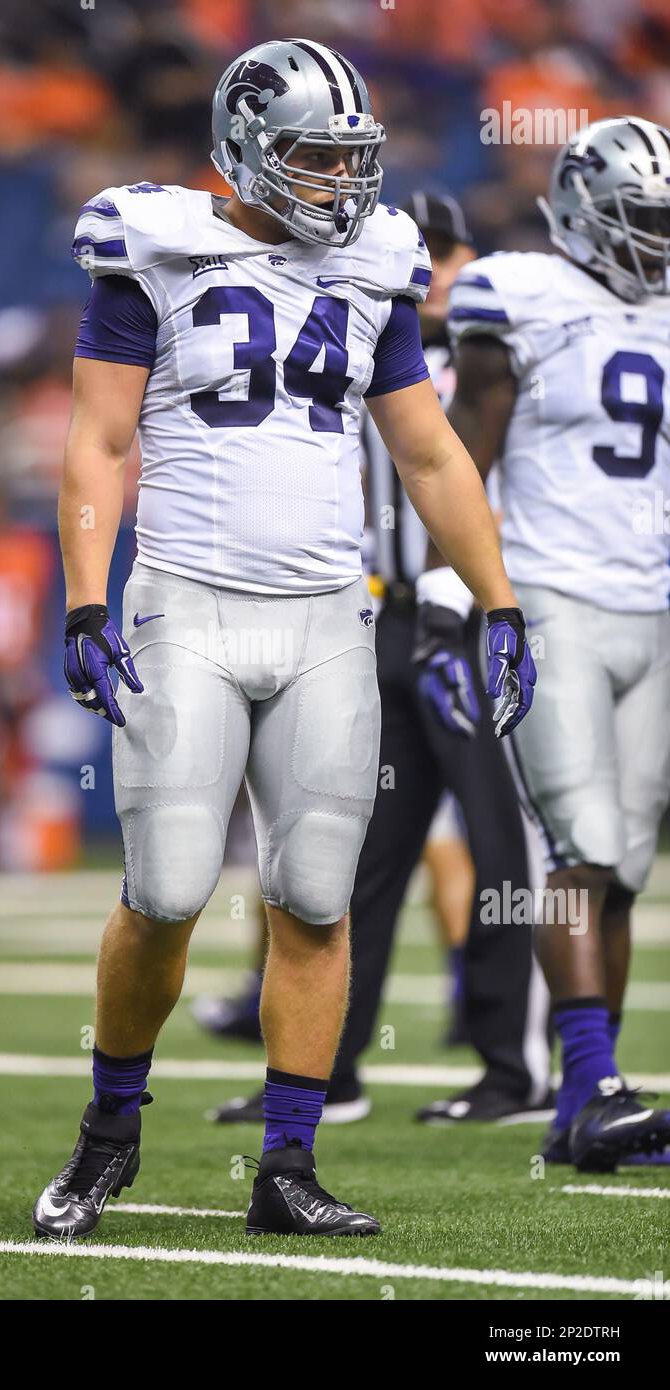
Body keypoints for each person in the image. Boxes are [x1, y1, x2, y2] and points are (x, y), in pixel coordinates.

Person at [32, 38, 534, 1242]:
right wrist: (88, 599)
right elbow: (101, 443)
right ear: (246, 142)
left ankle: (289, 1165)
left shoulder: (371, 264)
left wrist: (499, 598)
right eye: (314, 152)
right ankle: (108, 1135)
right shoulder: (149, 247)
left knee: (314, 898)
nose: (337, 179)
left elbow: (426, 452)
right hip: (187, 603)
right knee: (163, 891)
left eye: (351, 156)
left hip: (324, 615)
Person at [211, 193, 551, 1130]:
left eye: (447, 253)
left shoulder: (497, 353)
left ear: (471, 259)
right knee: (354, 854)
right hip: (380, 619)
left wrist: (478, 608)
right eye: (423, 253)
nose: (433, 270)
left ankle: (512, 1070)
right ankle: (329, 1073)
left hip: (471, 620)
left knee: (497, 844)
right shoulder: (366, 332)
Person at [423, 117, 670, 1170]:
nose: (656, 239)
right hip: (548, 597)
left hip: (651, 608)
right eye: (642, 218)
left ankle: (585, 1104)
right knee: (574, 845)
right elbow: (461, 455)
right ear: (581, 212)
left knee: (621, 866)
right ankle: (591, 1083)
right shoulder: (519, 296)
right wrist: (452, 596)